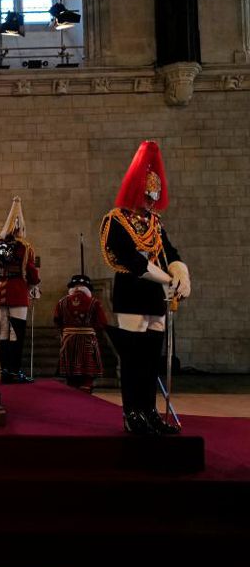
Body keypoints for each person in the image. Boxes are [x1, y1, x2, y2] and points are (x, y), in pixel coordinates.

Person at [100, 140, 191, 436]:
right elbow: (130, 260)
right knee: (133, 360)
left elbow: (169, 252)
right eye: (148, 194)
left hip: (154, 299)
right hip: (131, 293)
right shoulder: (116, 220)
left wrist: (179, 271)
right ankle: (132, 413)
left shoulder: (155, 223)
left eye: (155, 194)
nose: (152, 200)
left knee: (151, 361)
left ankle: (150, 411)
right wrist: (166, 279)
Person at [0, 197, 41, 384]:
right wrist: (34, 284)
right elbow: (31, 271)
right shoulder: (23, 247)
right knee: (17, 334)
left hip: (2, 293)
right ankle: (14, 371)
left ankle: (5, 371)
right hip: (18, 293)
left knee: (3, 334)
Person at [53, 275, 108, 394]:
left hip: (68, 340)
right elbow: (102, 322)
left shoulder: (61, 302)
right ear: (87, 288)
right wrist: (93, 331)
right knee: (88, 366)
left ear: (72, 287)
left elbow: (57, 321)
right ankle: (86, 387)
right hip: (88, 339)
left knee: (70, 369)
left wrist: (65, 331)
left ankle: (72, 391)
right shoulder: (95, 302)